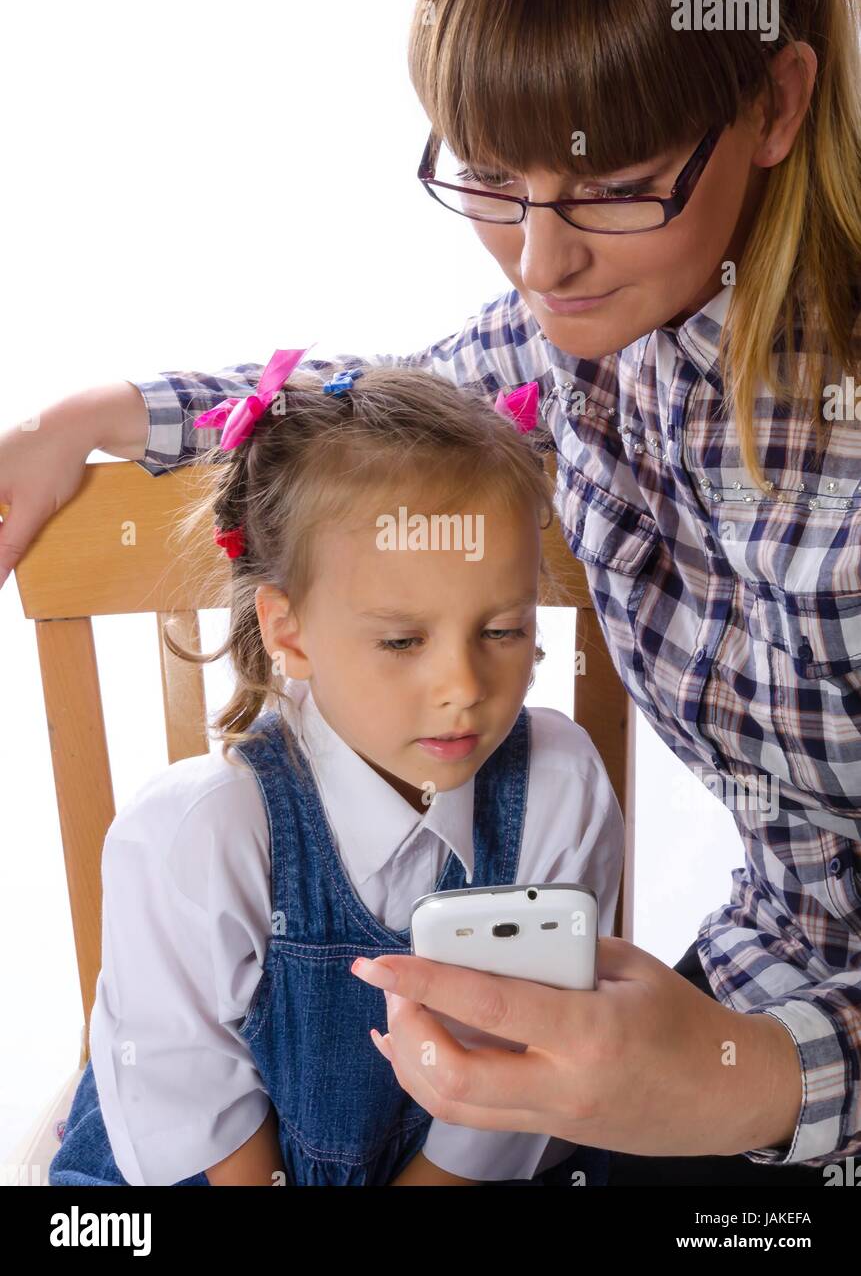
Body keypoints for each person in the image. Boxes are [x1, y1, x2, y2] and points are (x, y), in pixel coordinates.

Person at [3, 0, 860, 1183]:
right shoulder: (592, 339)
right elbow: (365, 408)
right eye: (491, 176)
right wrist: (92, 413)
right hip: (745, 999)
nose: (536, 260)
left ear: (778, 107)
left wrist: (749, 1081)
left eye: (613, 187)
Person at [46, 356, 623, 1186]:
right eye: (401, 641)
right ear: (289, 633)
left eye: (500, 630)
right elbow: (200, 1130)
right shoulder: (199, 835)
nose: (462, 687)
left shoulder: (556, 788)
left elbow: (518, 1085)